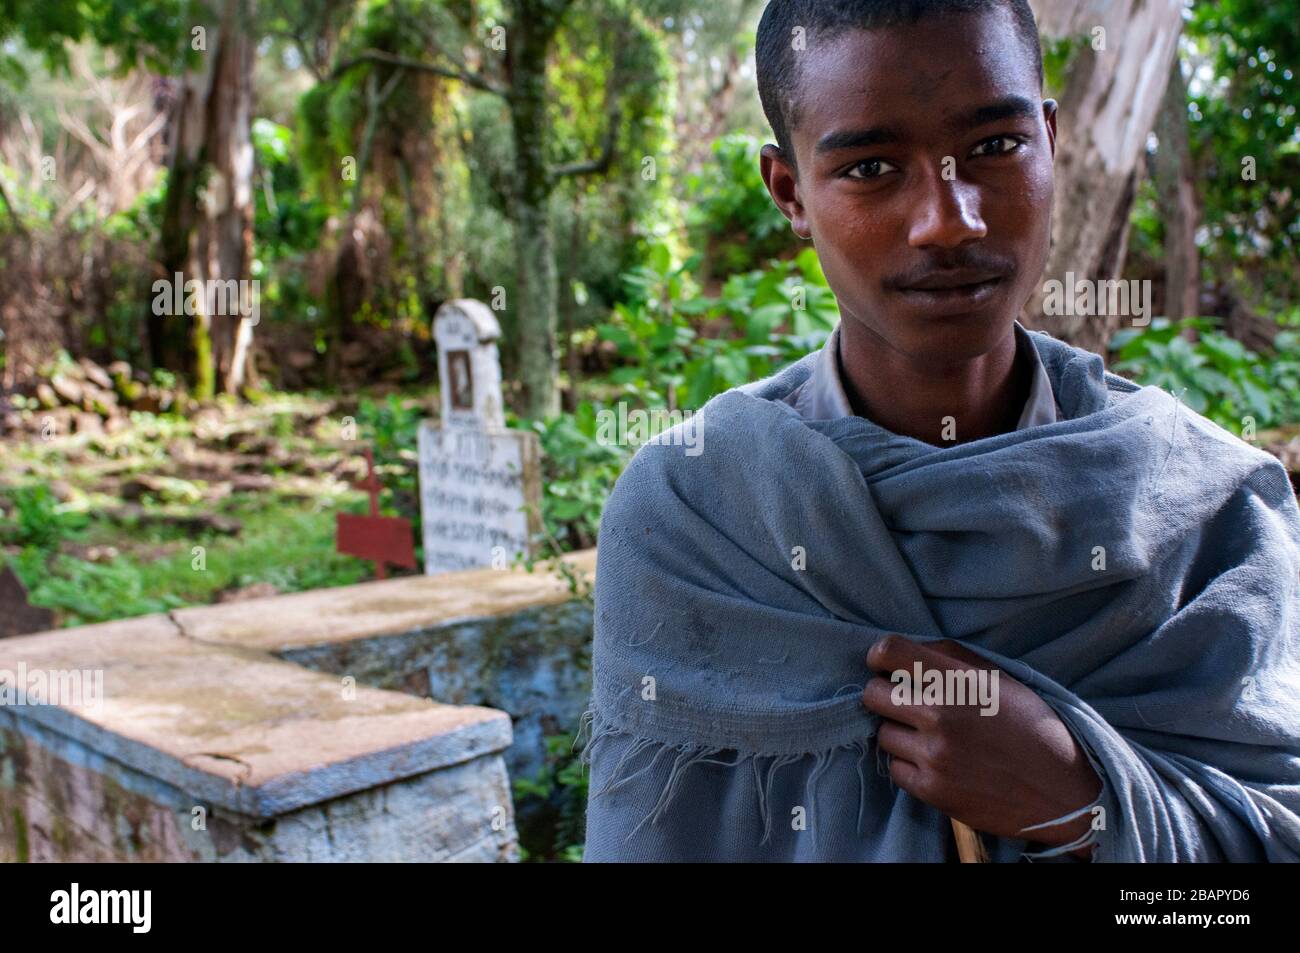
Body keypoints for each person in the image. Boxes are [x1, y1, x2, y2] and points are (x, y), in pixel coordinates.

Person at [578, 0, 1300, 862]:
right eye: (873, 166)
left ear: (1051, 141)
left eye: (995, 148)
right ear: (790, 193)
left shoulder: (1211, 509)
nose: (950, 220)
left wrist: (1082, 800)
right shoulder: (691, 515)